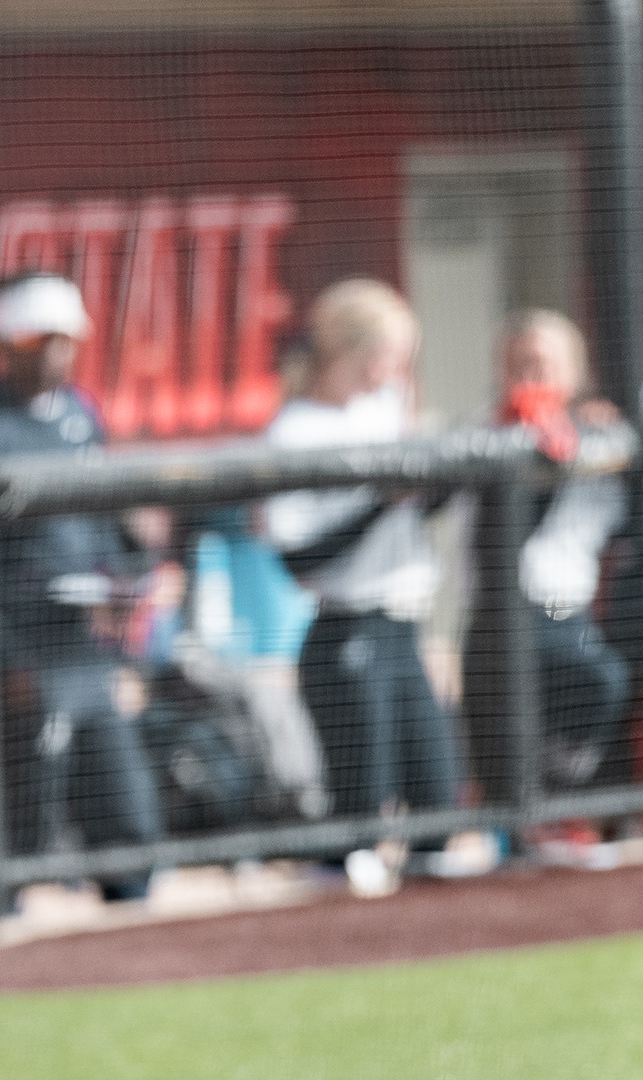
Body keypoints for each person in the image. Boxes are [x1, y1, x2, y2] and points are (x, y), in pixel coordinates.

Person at [0, 271, 168, 902]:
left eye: (64, 341)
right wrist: (2, 658)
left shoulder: (82, 415)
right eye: (39, 341)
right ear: (8, 343)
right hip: (24, 650)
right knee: (22, 830)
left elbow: (107, 527)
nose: (55, 355)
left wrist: (134, 586)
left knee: (126, 810)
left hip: (91, 645)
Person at [259, 279, 463, 835]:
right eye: (389, 356)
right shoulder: (294, 429)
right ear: (355, 352)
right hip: (344, 634)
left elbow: (416, 514)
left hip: (404, 629)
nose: (396, 370)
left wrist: (441, 479)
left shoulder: (385, 409)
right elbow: (296, 560)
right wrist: (379, 501)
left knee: (438, 807)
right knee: (362, 816)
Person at [493, 310, 631, 791]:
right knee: (598, 680)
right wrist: (540, 442)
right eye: (519, 365)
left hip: (576, 616)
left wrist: (613, 441)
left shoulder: (601, 433)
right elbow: (509, 533)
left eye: (543, 365)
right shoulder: (493, 434)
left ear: (575, 373)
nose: (531, 377)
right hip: (510, 619)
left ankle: (566, 801)